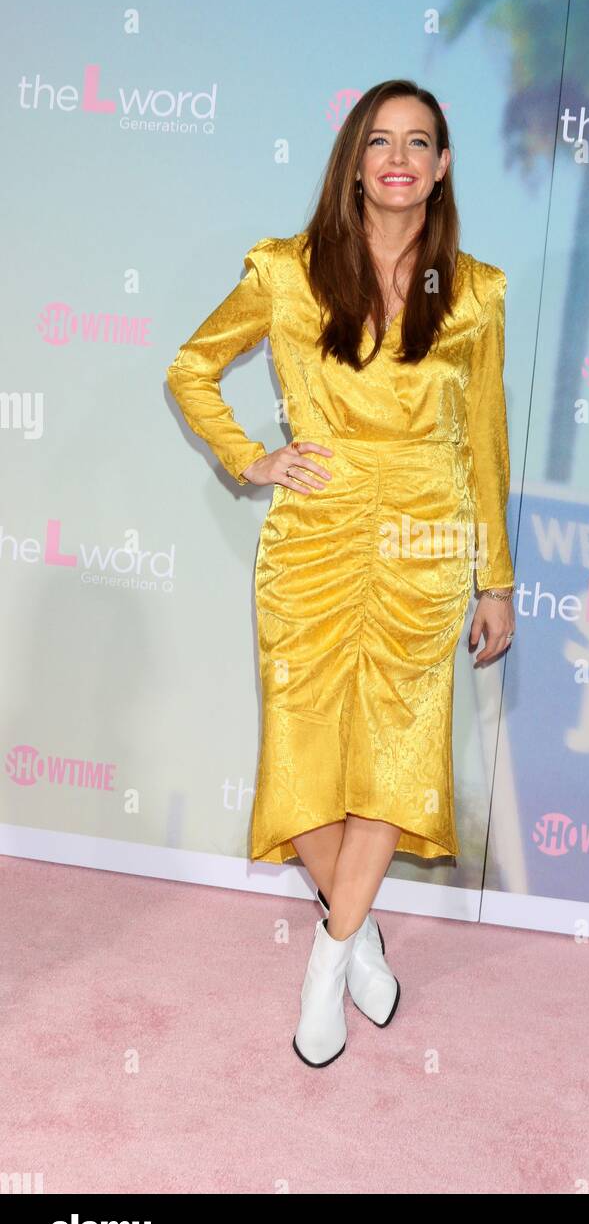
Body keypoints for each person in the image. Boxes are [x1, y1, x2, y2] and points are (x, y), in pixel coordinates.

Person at [166, 79, 515, 1068]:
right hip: (313, 541)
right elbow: (192, 366)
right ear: (354, 162)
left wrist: (497, 580)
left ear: (441, 166)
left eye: (418, 143)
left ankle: (327, 956)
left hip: (428, 544)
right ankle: (356, 928)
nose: (398, 158)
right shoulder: (286, 271)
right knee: (307, 763)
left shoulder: (475, 291)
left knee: (395, 761)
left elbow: (483, 444)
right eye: (379, 141)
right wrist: (251, 455)